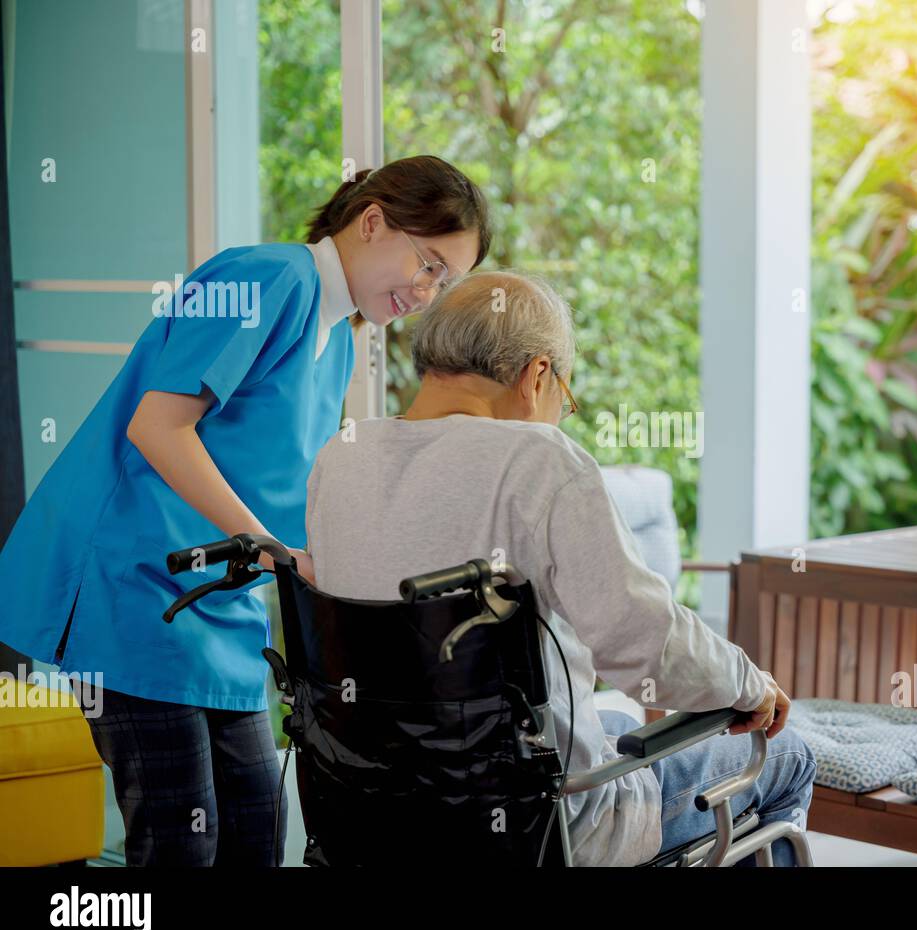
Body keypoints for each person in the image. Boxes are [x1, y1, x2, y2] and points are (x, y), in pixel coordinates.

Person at [0, 155, 491, 866]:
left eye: (444, 281)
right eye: (427, 262)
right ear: (374, 220)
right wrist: (269, 544)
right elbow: (157, 426)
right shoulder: (269, 278)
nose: (425, 290)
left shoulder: (337, 345)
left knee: (256, 836)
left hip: (222, 612)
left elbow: (288, 490)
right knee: (182, 842)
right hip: (134, 590)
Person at [304, 270, 816, 866]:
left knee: (615, 716)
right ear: (537, 374)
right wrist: (748, 681)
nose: (557, 416)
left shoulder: (341, 459)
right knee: (786, 758)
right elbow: (642, 644)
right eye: (561, 400)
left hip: (372, 814)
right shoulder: (538, 461)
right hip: (546, 824)